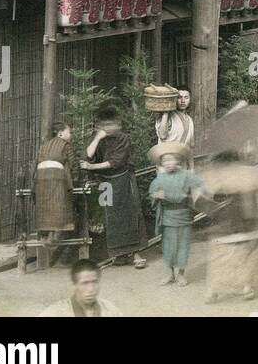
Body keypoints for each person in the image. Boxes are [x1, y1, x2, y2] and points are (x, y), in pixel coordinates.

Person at [80, 107, 146, 269]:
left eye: (112, 125)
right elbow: (86, 157)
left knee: (129, 215)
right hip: (105, 183)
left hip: (123, 180)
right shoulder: (96, 138)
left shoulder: (124, 138)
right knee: (110, 217)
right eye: (105, 125)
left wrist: (92, 167)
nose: (110, 128)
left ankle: (136, 253)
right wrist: (96, 139)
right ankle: (119, 254)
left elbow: (116, 162)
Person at [203, 150, 258, 305]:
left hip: (226, 222)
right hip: (240, 222)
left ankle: (214, 289)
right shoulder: (247, 173)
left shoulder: (214, 175)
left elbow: (205, 199)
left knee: (221, 257)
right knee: (246, 255)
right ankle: (245, 286)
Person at [147, 141, 204, 287]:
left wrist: (194, 195)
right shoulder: (159, 179)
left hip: (183, 214)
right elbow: (152, 193)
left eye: (171, 159)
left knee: (182, 245)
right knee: (168, 246)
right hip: (168, 216)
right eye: (165, 160)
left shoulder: (187, 176)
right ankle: (170, 273)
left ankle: (181, 274)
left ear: (178, 160)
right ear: (161, 163)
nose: (168, 163)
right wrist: (156, 195)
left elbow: (200, 185)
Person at [34, 120, 76, 264]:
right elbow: (72, 163)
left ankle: (46, 235)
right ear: (60, 134)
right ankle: (55, 236)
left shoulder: (44, 145)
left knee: (46, 205)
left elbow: (37, 162)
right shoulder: (65, 145)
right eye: (69, 132)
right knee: (59, 203)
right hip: (56, 175)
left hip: (41, 177)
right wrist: (74, 179)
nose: (70, 134)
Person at [38, 259, 122, 317]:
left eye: (94, 282)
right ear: (74, 285)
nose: (91, 289)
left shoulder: (111, 311)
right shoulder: (56, 312)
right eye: (84, 283)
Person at [154, 88, 195, 152]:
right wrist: (165, 113)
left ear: (190, 100)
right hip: (166, 158)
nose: (183, 101)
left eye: (186, 97)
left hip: (181, 158)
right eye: (179, 97)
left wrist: (191, 162)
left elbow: (191, 145)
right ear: (174, 99)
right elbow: (162, 135)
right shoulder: (167, 116)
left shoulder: (190, 120)